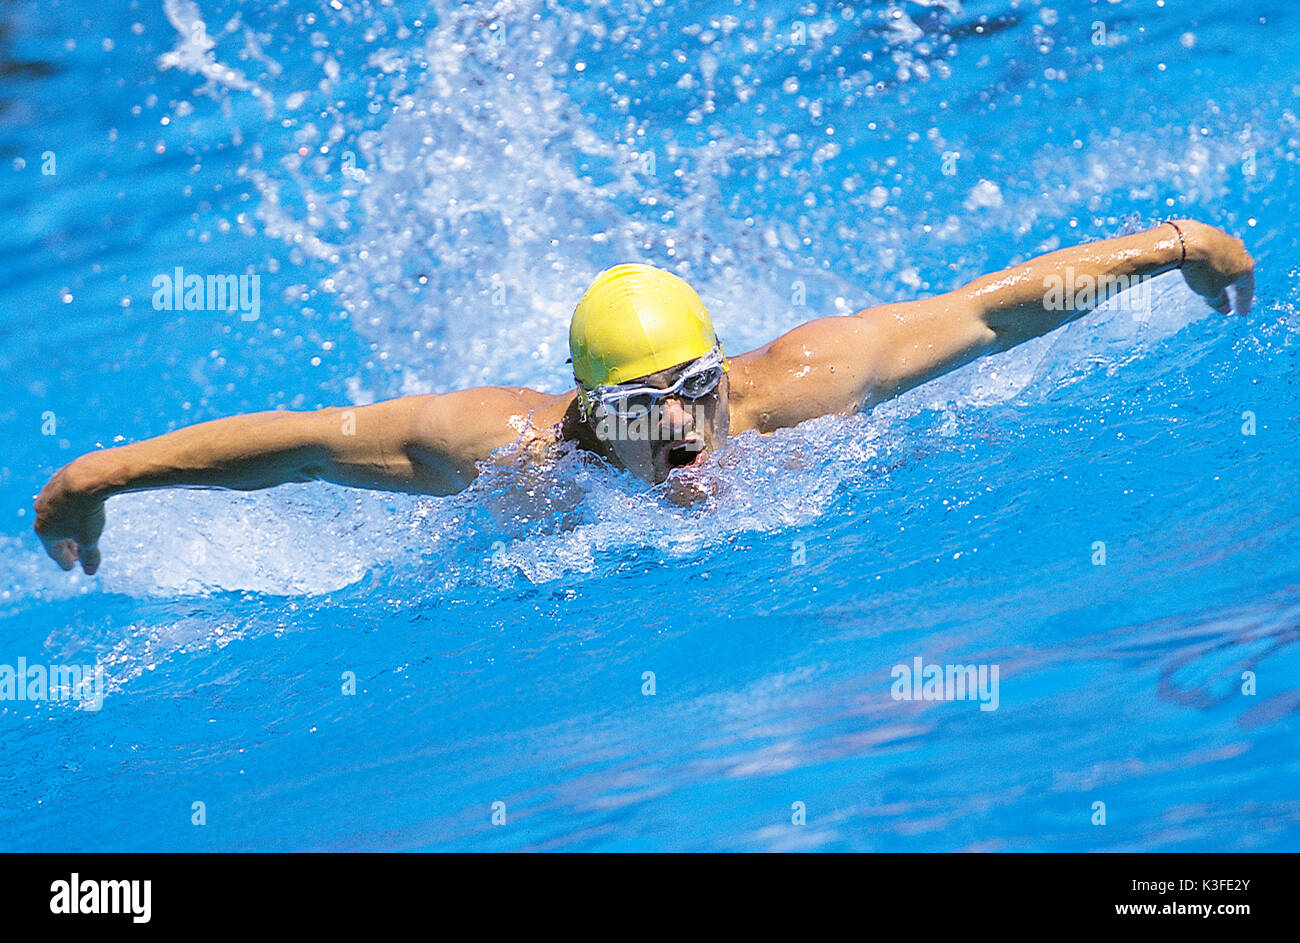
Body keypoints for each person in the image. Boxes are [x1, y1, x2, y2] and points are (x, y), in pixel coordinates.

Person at [34, 219, 1254, 575]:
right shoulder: (509, 448)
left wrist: (1173, 244)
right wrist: (99, 477)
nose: (677, 425)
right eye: (637, 405)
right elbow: (294, 448)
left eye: (693, 391)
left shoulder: (800, 391)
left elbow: (995, 309)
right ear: (585, 407)